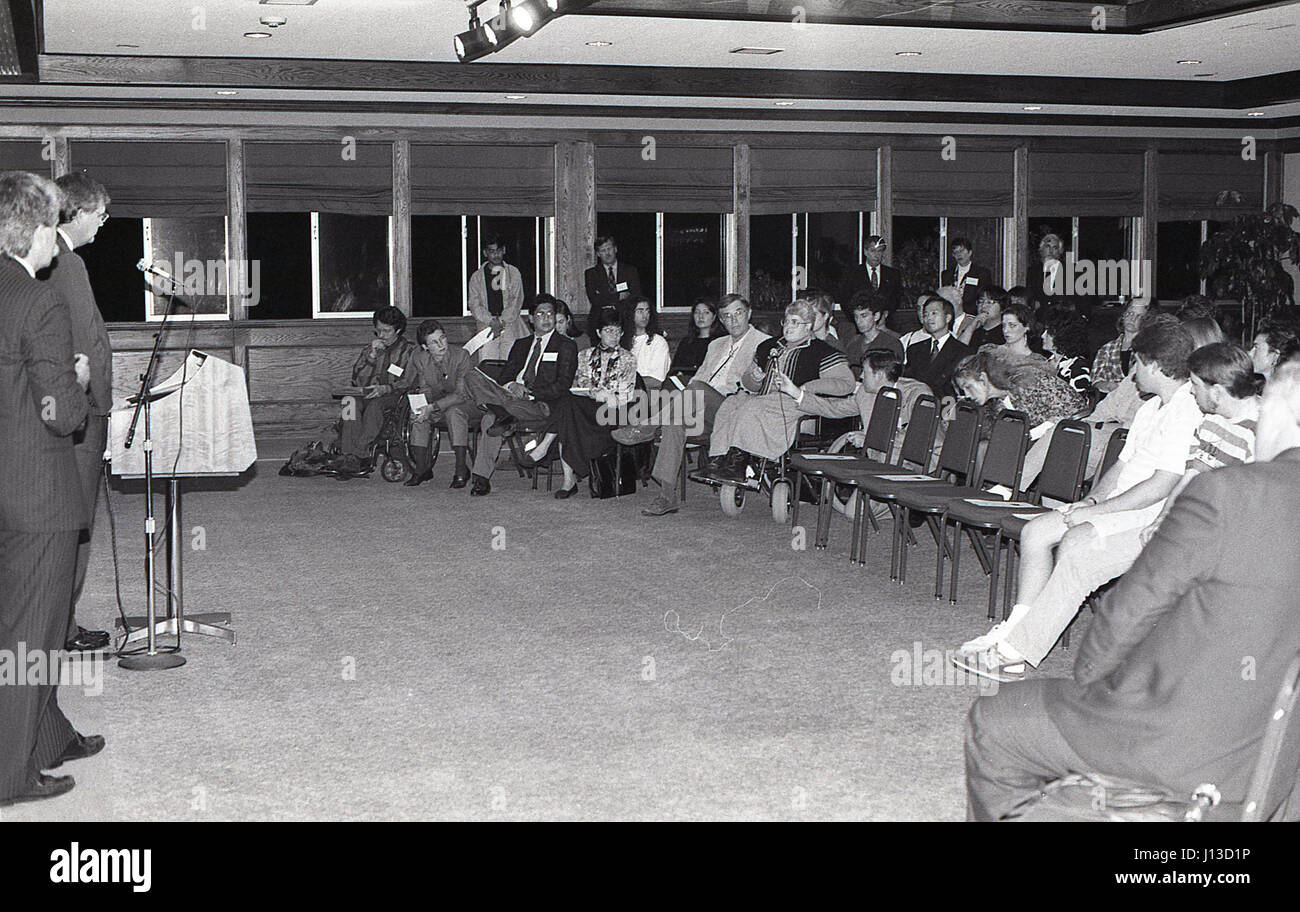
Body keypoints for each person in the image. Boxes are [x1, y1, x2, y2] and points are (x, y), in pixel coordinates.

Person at [963, 360, 1300, 822]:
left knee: (995, 719)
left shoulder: (1228, 493)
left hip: (1189, 745)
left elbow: (1126, 614)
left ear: (1279, 415)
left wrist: (1094, 693)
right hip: (1280, 760)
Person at [956, 320, 1203, 682]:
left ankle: (1015, 654)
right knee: (1037, 531)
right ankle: (1016, 628)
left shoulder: (1187, 411)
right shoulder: (1150, 408)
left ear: (1154, 365)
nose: (1132, 372)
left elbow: (1160, 486)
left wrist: (1100, 512)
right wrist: (1091, 501)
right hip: (1120, 505)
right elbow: (1122, 466)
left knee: (1076, 544)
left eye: (1137, 363)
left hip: (1149, 512)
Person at [0, 170, 104, 808]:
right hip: (36, 493)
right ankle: (10, 773)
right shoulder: (36, 301)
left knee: (22, 623)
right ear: (37, 230)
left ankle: (46, 738)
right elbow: (61, 413)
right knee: (30, 639)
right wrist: (78, 376)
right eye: (53, 224)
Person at [42, 173, 112, 653]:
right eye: (101, 213)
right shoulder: (68, 265)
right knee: (77, 521)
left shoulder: (48, 260)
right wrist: (105, 405)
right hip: (81, 411)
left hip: (53, 406)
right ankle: (61, 628)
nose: (104, 222)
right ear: (79, 213)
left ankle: (54, 623)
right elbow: (89, 341)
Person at [629, 294, 770, 517]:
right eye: (727, 316)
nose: (733, 321)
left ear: (749, 313)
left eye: (738, 314)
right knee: (676, 422)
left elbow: (760, 388)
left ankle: (647, 427)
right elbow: (697, 379)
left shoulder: (763, 343)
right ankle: (667, 497)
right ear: (721, 321)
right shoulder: (715, 345)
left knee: (697, 390)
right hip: (705, 412)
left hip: (735, 409)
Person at [708, 299, 854, 483]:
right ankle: (718, 458)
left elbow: (846, 384)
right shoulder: (768, 346)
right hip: (763, 400)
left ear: (808, 326)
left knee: (752, 405)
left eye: (795, 322)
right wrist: (754, 377)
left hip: (794, 404)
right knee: (731, 402)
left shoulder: (822, 352)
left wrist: (807, 387)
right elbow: (748, 384)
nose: (788, 327)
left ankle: (737, 462)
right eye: (786, 321)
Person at [460, 296, 578, 496]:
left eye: (550, 314)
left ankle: (481, 475)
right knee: (471, 375)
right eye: (540, 314)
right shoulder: (521, 344)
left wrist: (529, 392)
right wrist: (512, 384)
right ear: (531, 318)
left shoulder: (566, 345)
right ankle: (498, 412)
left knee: (492, 418)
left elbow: (563, 385)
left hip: (538, 402)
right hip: (511, 396)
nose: (546, 318)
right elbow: (505, 374)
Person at [527, 309, 639, 499]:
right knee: (568, 407)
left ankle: (545, 448)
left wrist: (600, 394)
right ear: (598, 333)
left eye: (617, 331)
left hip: (613, 411)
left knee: (567, 409)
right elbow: (581, 383)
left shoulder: (628, 358)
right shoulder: (584, 355)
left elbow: (624, 394)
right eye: (608, 331)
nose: (613, 336)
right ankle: (566, 479)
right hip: (587, 408)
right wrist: (595, 393)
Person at [335, 305, 418, 476]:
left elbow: (410, 380)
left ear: (398, 330)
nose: (382, 335)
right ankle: (347, 454)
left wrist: (386, 388)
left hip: (394, 396)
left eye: (387, 331)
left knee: (375, 406)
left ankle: (359, 454)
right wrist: (371, 357)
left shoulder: (410, 351)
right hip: (368, 392)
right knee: (348, 402)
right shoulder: (370, 349)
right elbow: (357, 379)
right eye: (378, 330)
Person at [405, 319, 476, 489]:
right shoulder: (420, 359)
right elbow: (425, 388)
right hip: (440, 403)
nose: (441, 344)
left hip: (468, 404)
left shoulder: (461, 356)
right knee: (418, 414)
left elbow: (461, 394)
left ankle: (461, 469)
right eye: (434, 342)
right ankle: (422, 468)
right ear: (425, 347)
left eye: (442, 338)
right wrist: (423, 406)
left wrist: (433, 407)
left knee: (453, 412)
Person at [467, 233, 527, 363]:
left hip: (509, 324)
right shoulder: (476, 277)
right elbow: (474, 305)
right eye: (492, 251)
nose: (496, 255)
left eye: (499, 251)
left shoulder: (513, 273)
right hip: (487, 325)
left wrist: (502, 321)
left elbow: (516, 301)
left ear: (504, 250)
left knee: (510, 363)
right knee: (487, 362)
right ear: (485, 253)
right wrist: (491, 321)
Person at [903, 294, 972, 400]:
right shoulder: (915, 349)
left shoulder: (962, 351)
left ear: (948, 317)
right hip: (918, 406)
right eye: (925, 315)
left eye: (934, 313)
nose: (929, 318)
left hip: (947, 407)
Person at [584, 235, 641, 339]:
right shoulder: (591, 274)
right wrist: (618, 297)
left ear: (615, 249)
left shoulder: (630, 271)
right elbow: (595, 299)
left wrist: (605, 297)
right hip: (600, 322)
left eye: (609, 249)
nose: (607, 253)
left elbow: (635, 296)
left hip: (625, 323)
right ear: (598, 254)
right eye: (603, 250)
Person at [1091, 297, 1150, 393]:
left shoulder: (1147, 349)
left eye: (1139, 316)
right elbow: (1096, 379)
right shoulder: (1107, 349)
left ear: (1145, 321)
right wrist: (1108, 385)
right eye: (1130, 313)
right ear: (1123, 315)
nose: (1132, 318)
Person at [1038, 302, 1096, 397]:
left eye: (1048, 332)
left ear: (1062, 336)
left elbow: (1078, 405)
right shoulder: (1045, 363)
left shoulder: (1078, 368)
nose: (1042, 336)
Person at [839, 234, 901, 318]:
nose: (876, 255)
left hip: (885, 323)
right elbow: (845, 299)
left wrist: (886, 314)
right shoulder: (852, 274)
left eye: (879, 251)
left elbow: (896, 299)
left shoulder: (893, 274)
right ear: (865, 252)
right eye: (873, 251)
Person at [842, 290, 903, 368]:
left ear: (876, 316)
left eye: (864, 316)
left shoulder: (891, 344)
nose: (858, 321)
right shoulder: (853, 344)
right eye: (856, 317)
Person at [668, 297, 724, 382]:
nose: (701, 316)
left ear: (714, 317)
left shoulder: (720, 342)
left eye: (706, 313)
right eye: (697, 312)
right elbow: (675, 369)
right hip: (685, 385)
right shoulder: (686, 342)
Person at [621, 296, 670, 389]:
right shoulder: (622, 340)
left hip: (648, 394)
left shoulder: (658, 342)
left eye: (647, 311)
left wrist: (624, 385)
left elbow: (657, 380)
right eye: (640, 311)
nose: (645, 316)